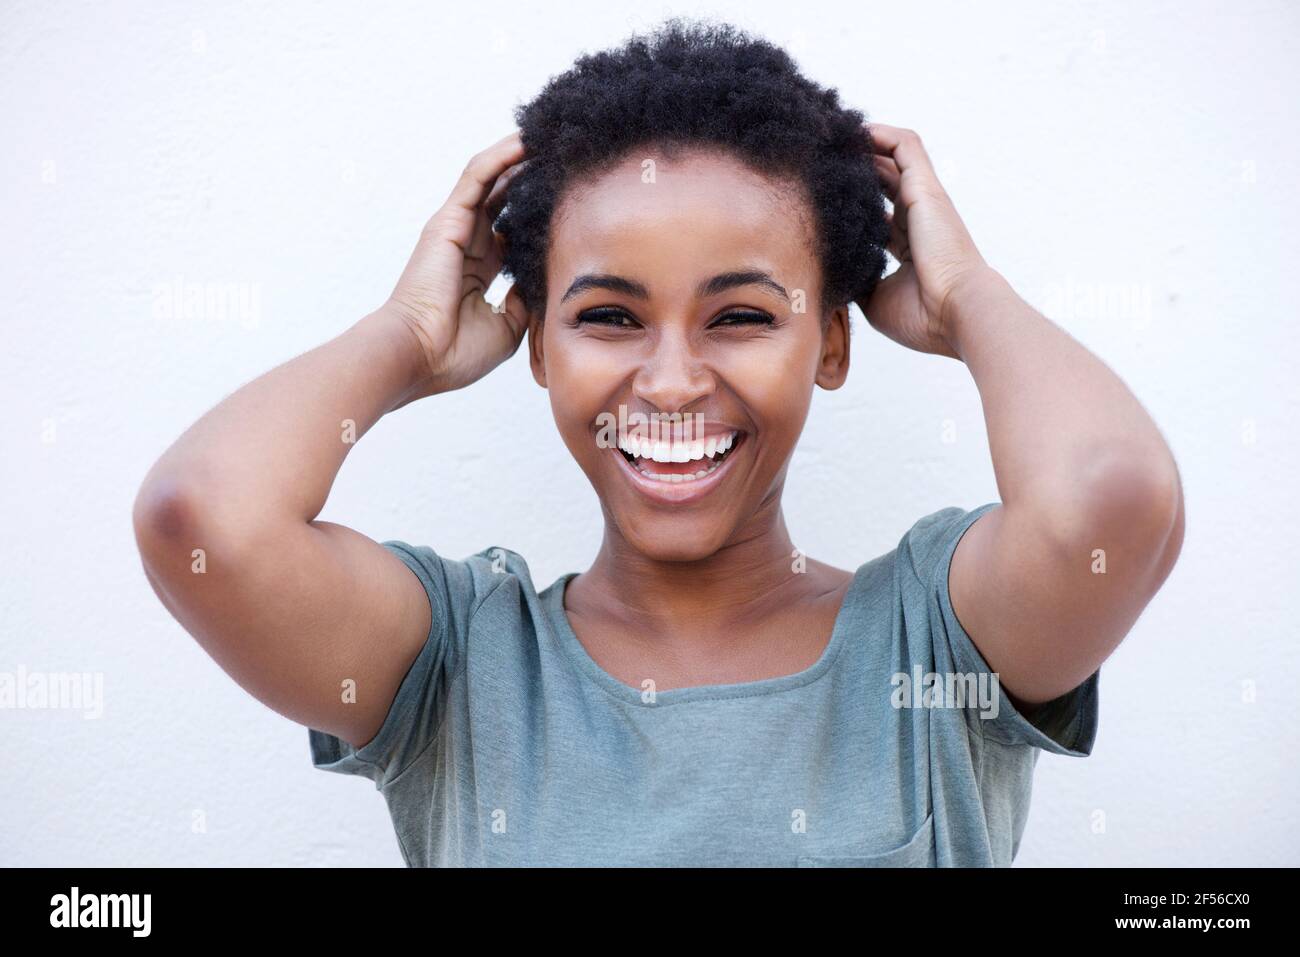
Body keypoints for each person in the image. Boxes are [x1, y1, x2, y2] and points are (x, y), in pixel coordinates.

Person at [132, 18, 1184, 866]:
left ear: (829, 339)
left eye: (739, 317)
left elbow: (1112, 499)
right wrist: (404, 339)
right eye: (608, 316)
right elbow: (203, 523)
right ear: (536, 341)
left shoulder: (934, 644)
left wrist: (964, 294)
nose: (673, 379)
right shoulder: (459, 665)